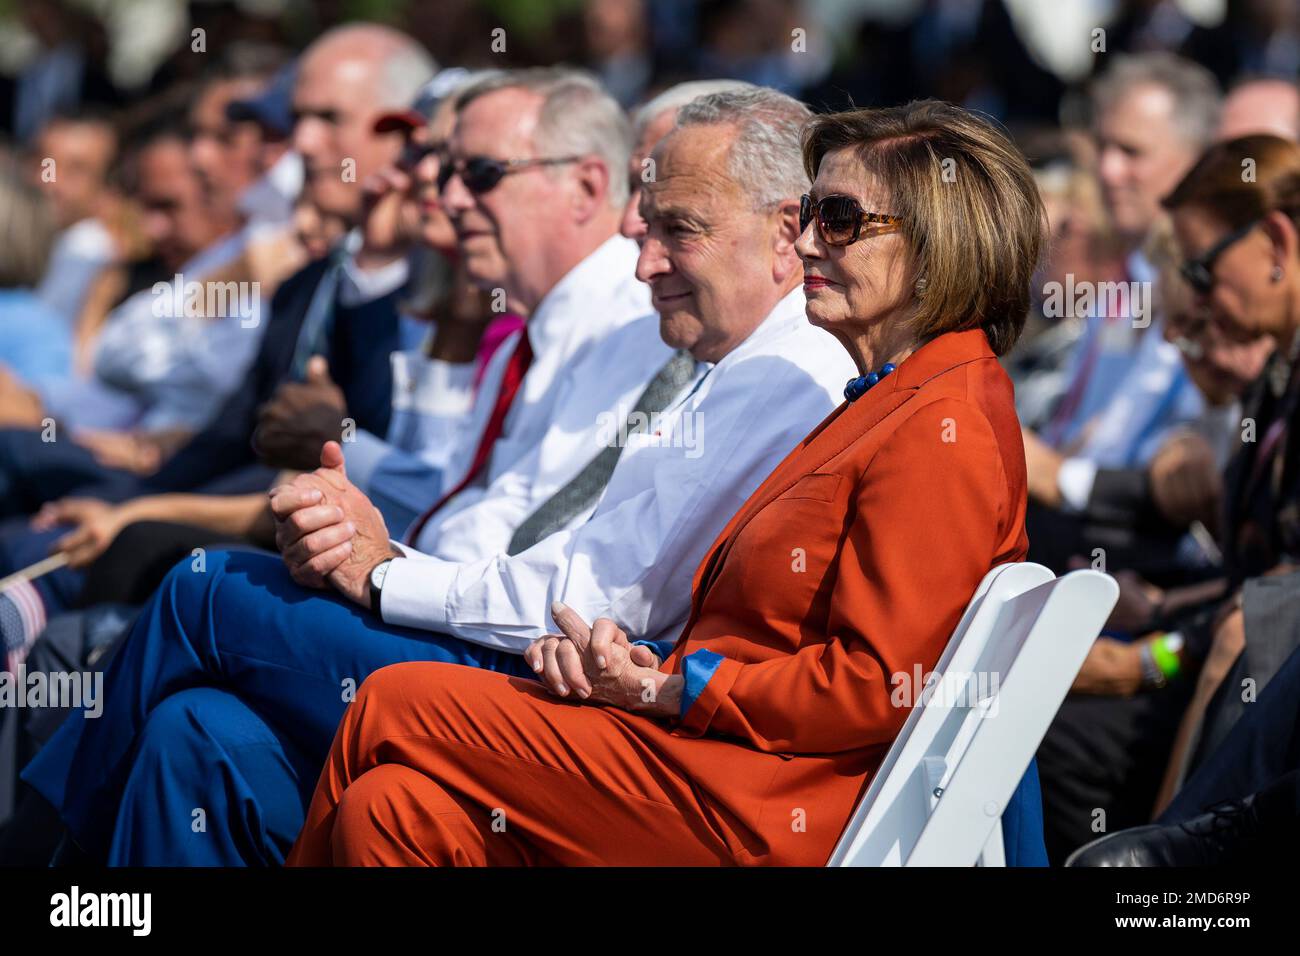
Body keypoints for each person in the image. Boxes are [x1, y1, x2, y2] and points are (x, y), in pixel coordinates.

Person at [15, 84, 860, 867]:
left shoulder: (777, 370)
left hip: (578, 708)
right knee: (193, 732)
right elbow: (540, 533)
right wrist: (376, 552)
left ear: (788, 231)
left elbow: (586, 599)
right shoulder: (738, 356)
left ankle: (48, 877)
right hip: (544, 669)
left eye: (678, 228)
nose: (641, 259)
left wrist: (385, 574)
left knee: (200, 588)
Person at [284, 98, 1044, 867]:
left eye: (841, 218)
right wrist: (643, 663)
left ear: (939, 241)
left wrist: (671, 687)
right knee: (393, 811)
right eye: (813, 211)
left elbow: (877, 685)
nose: (809, 241)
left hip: (767, 804)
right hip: (713, 759)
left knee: (392, 699)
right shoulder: (896, 397)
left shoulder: (944, 423)